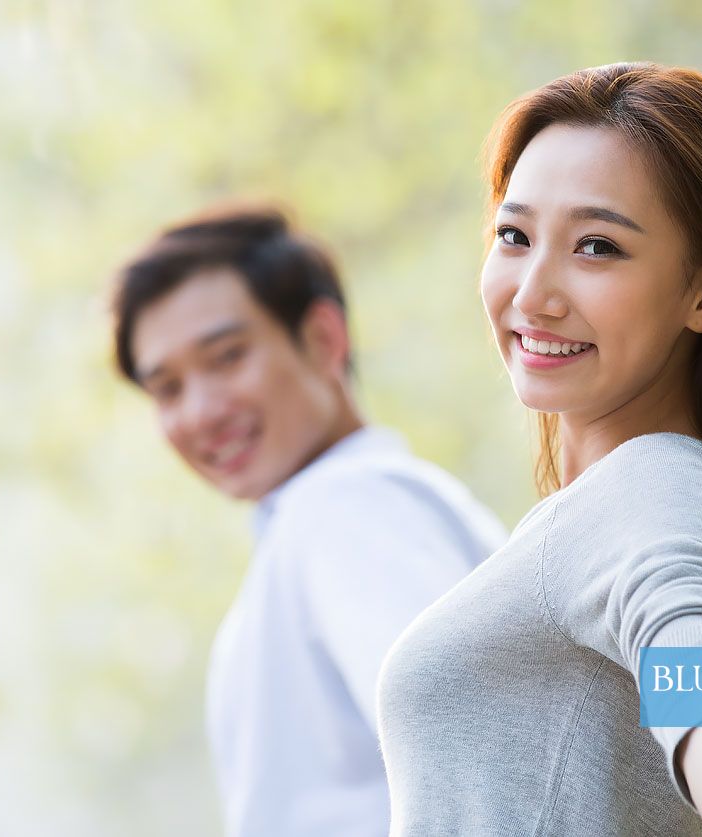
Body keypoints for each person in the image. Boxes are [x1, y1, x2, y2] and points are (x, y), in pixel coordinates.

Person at [376, 62, 702, 836]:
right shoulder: (614, 507)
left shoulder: (656, 488)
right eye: (513, 235)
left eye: (595, 247)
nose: (532, 292)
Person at [110, 203, 507, 837]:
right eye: (168, 389)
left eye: (228, 357)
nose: (201, 412)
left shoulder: (344, 509)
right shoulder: (379, 507)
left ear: (323, 338)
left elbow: (471, 761)